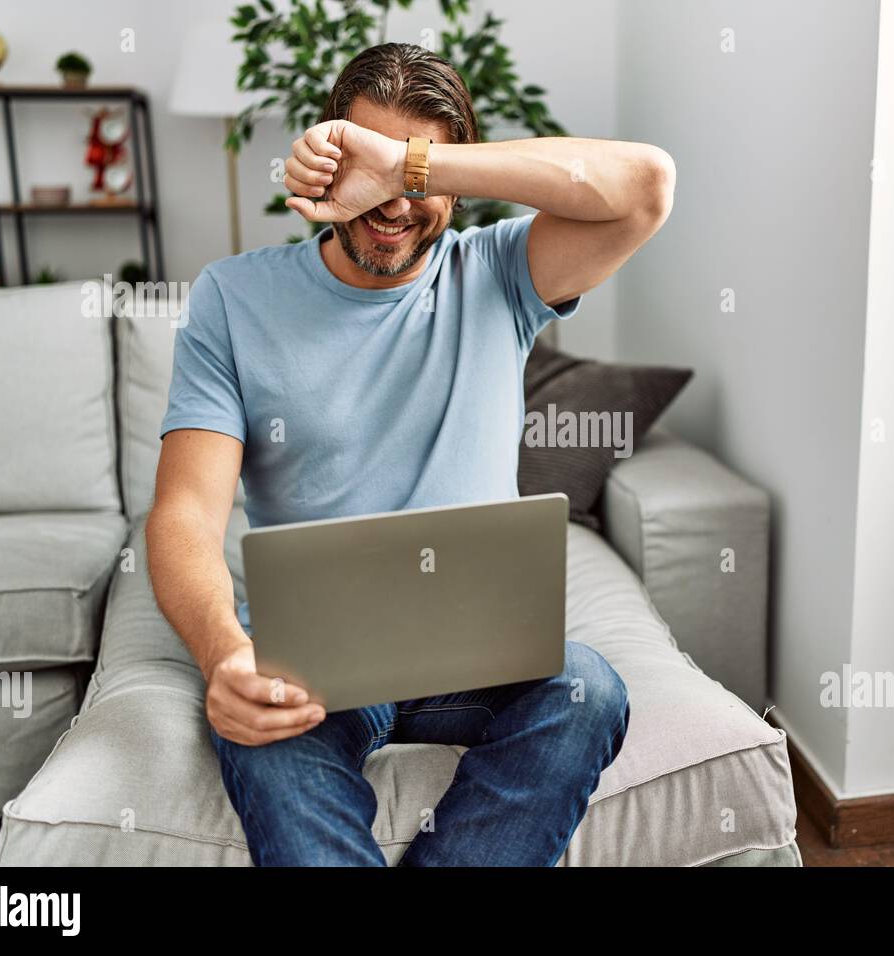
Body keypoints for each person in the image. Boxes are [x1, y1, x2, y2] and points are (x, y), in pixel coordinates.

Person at [147, 42, 675, 866]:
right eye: (369, 166)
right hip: (316, 656)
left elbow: (647, 187)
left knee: (590, 689)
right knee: (264, 737)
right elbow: (184, 511)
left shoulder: (500, 275)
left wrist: (404, 164)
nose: (393, 206)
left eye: (413, 181)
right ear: (328, 157)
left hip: (481, 651)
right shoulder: (233, 297)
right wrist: (226, 656)